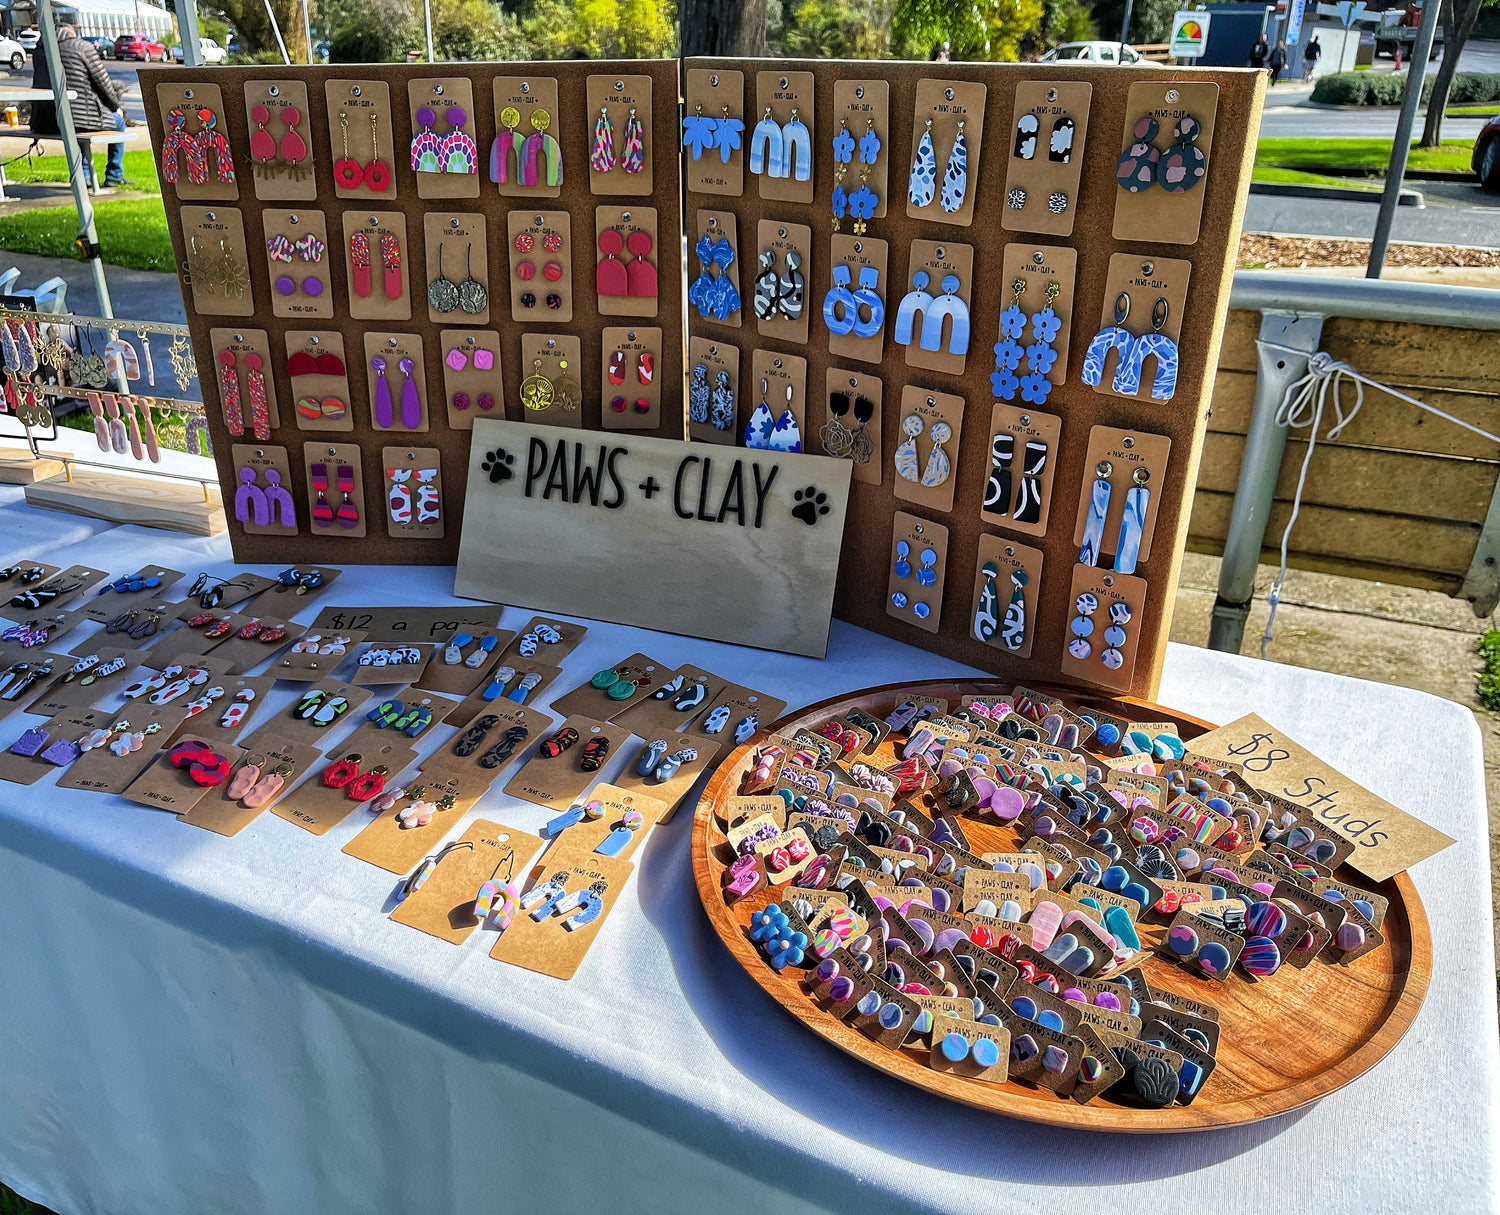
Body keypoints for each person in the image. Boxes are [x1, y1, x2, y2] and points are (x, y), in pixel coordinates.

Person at [29, 23, 131, 189]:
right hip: (76, 120)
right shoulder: (82, 47)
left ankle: (83, 175)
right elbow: (103, 84)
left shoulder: (40, 51)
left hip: (45, 121)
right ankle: (114, 174)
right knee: (117, 122)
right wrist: (115, 107)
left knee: (77, 124)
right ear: (72, 33)